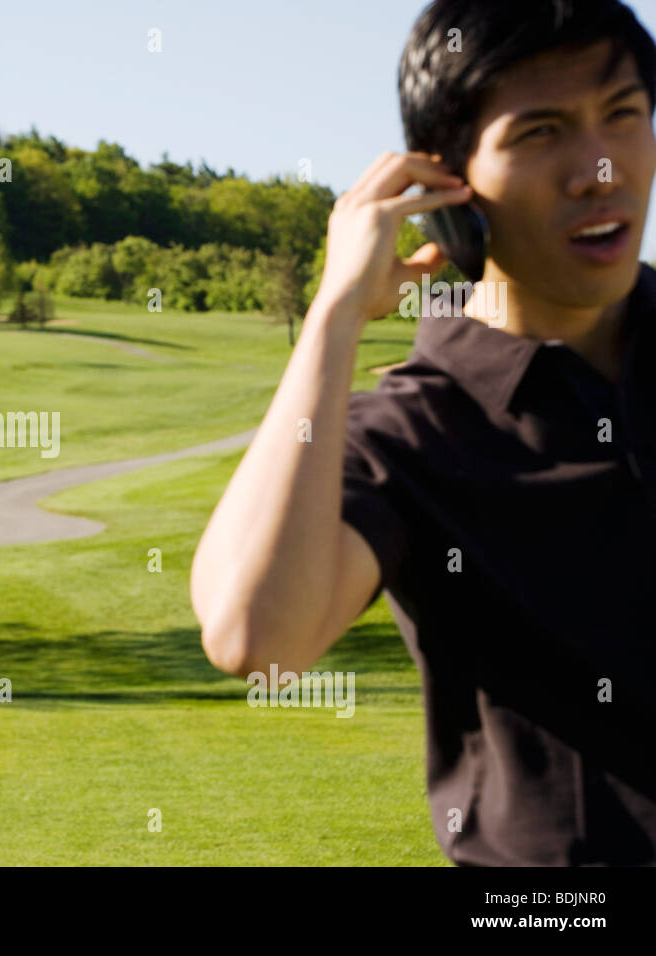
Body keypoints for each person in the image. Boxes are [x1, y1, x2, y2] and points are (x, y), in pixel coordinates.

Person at [191, 0, 656, 865]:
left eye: (623, 116)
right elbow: (256, 638)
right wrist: (336, 312)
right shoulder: (408, 435)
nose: (600, 169)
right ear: (448, 187)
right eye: (542, 132)